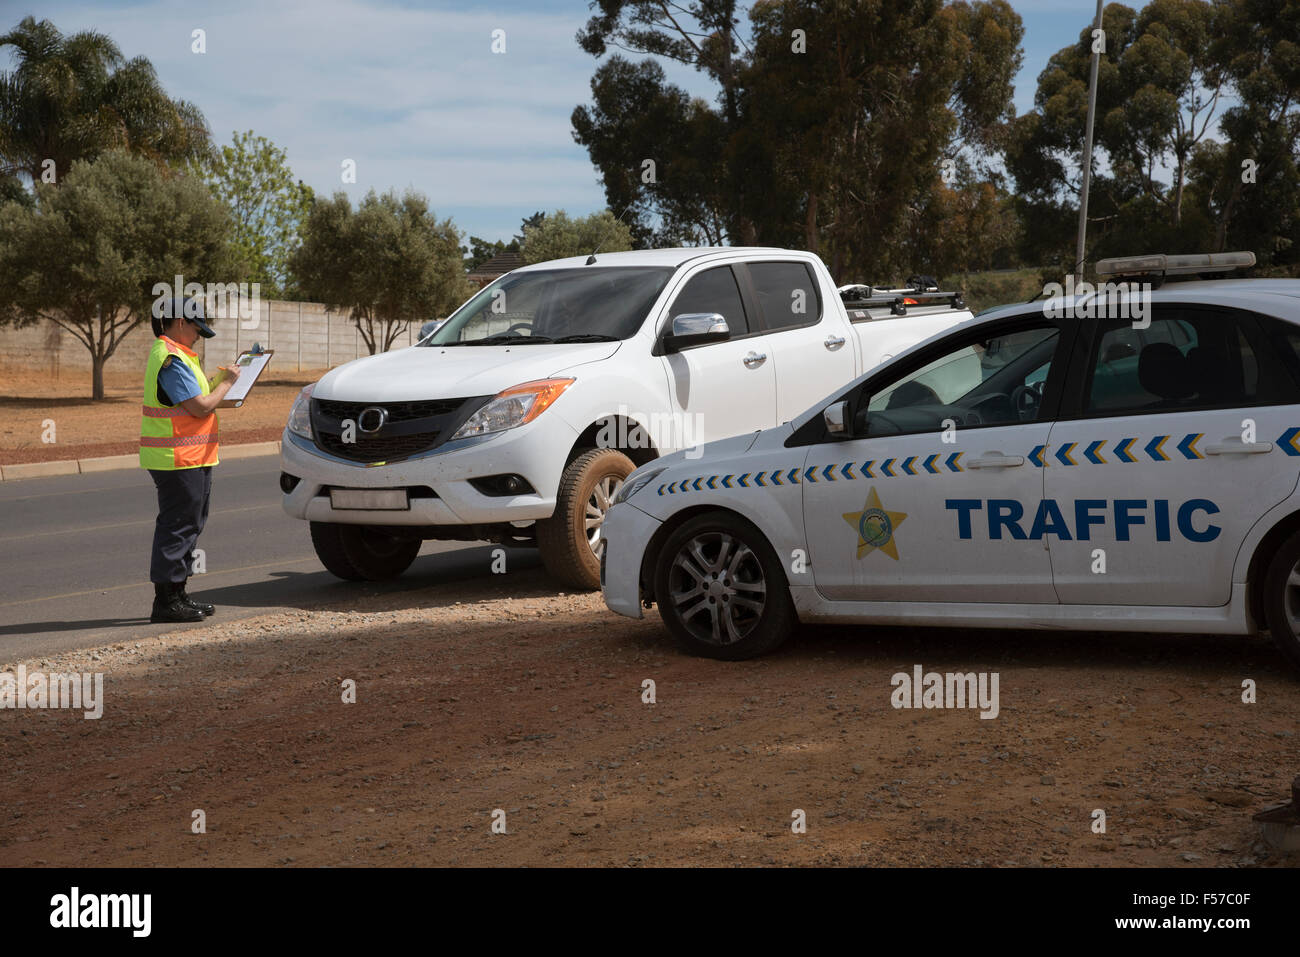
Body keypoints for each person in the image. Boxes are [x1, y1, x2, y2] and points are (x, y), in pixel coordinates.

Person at [140, 296, 240, 623]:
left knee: (190, 524)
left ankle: (178, 594)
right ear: (181, 322)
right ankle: (166, 601)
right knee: (178, 526)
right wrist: (226, 384)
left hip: (191, 456)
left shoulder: (181, 355)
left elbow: (200, 401)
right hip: (177, 458)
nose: (199, 334)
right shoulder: (170, 358)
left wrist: (228, 387)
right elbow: (200, 407)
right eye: (197, 327)